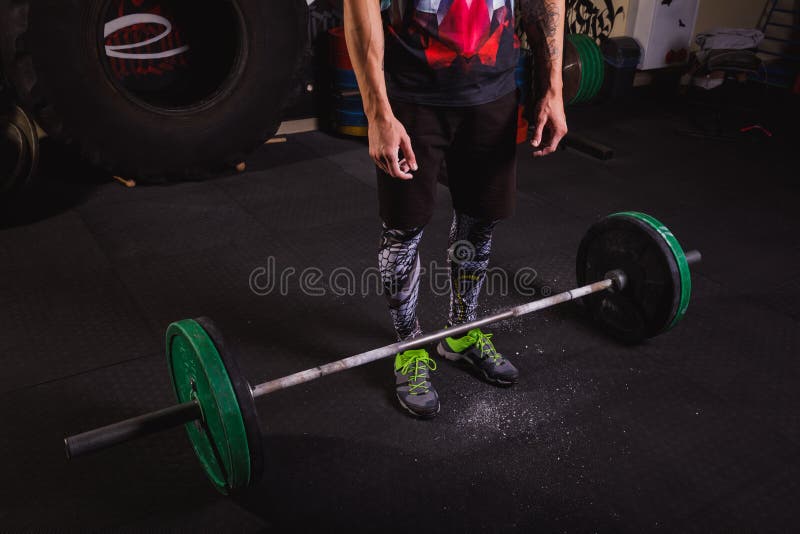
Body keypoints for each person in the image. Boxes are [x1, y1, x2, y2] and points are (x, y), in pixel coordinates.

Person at [344, 0, 568, 417]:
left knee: (480, 220)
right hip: (412, 95)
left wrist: (552, 90)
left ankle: (461, 333)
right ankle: (408, 344)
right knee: (403, 230)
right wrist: (377, 112)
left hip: (493, 91)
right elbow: (360, 7)